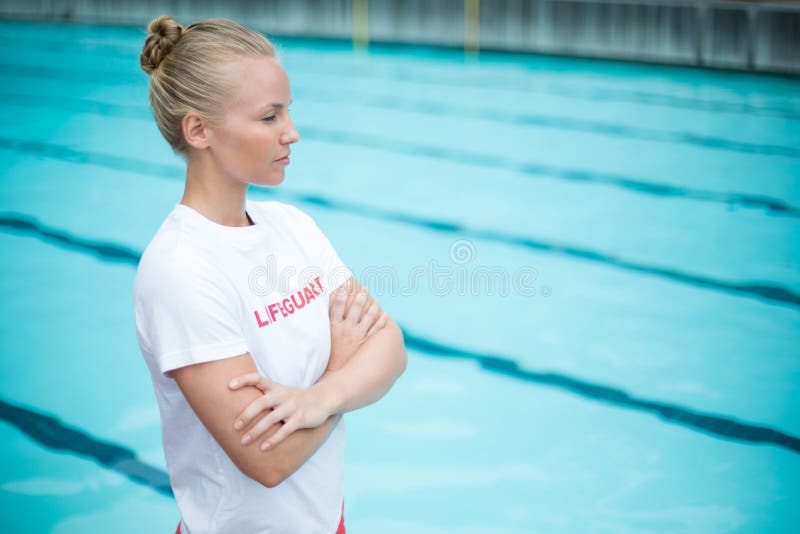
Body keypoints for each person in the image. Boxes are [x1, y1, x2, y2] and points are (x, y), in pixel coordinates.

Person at [133, 15, 408, 533]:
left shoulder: (292, 226)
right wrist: (343, 369)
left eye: (289, 112)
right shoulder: (179, 270)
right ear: (198, 130)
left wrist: (316, 398)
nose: (293, 133)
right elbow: (267, 461)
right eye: (269, 117)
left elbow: (391, 349)